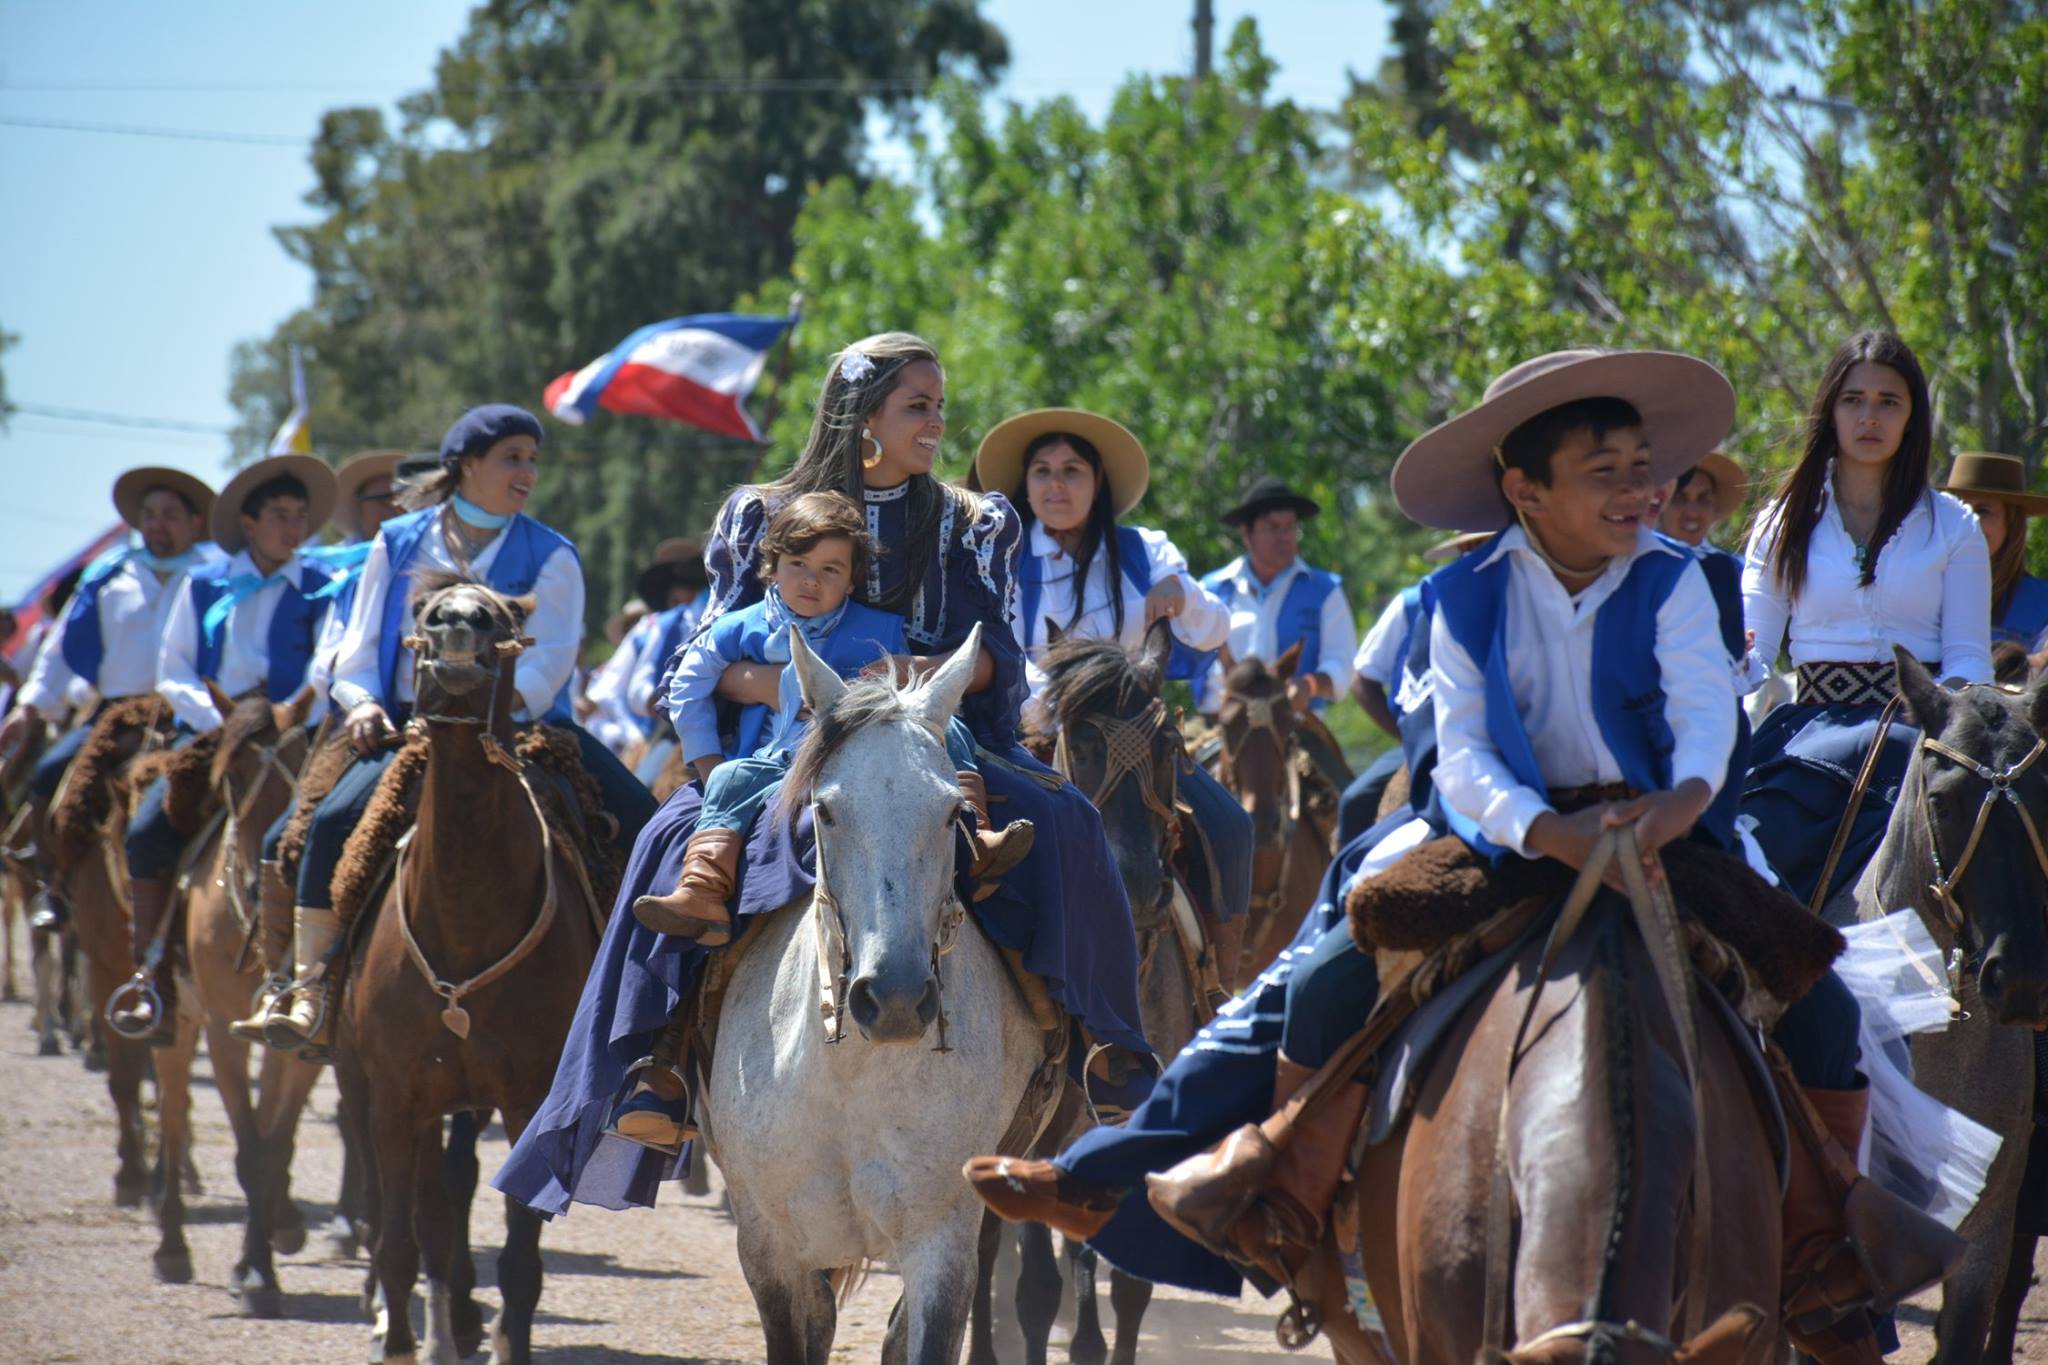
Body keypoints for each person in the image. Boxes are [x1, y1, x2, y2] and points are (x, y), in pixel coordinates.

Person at [972, 350, 1962, 1361]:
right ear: (1523, 490)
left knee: (1825, 1004)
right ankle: (1258, 1190)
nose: (1636, 490)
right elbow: (1468, 752)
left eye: (1639, 467)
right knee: (1316, 980)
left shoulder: (1683, 580)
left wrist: (1673, 807)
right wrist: (1548, 830)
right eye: (1603, 470)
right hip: (1501, 840)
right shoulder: (1458, 596)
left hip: (1676, 835)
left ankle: (1827, 1257)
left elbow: (1705, 716)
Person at [495, 333, 1152, 1217]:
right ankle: (661, 1069)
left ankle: (1103, 1049)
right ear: (865, 416)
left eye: (939, 404)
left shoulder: (974, 519)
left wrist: (902, 688)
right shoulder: (761, 514)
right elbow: (714, 654)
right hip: (789, 742)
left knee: (1070, 821)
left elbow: (998, 658)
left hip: (941, 736)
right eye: (919, 404)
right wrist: (813, 696)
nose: (938, 420)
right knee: (666, 836)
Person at [607, 492, 1021, 1152]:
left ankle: (974, 825)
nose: (813, 580)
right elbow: (686, 682)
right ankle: (703, 887)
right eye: (799, 563)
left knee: (938, 724)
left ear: (852, 579)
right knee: (725, 783)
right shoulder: (740, 625)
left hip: (861, 766)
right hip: (774, 766)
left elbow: (900, 703)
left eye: (832, 569)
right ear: (771, 566)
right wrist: (709, 755)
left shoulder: (877, 630)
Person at [265, 404, 659, 1052]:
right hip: (404, 730)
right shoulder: (396, 542)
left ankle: (643, 1013)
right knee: (325, 823)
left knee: (642, 823)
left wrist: (492, 716)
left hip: (526, 731)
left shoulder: (553, 554)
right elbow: (358, 649)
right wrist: (362, 702)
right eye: (512, 457)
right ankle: (309, 987)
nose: (527, 471)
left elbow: (553, 660)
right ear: (466, 465)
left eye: (532, 459)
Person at [973, 407, 1253, 973]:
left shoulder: (1146, 552)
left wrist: (1183, 593)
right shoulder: (1001, 560)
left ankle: (1224, 983)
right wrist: (1060, 699)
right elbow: (997, 653)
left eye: (1072, 470)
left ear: (1097, 483)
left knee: (1232, 827)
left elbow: (1214, 629)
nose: (1056, 484)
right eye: (1042, 471)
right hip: (1036, 742)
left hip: (1143, 740)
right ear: (1025, 487)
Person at [1741, 332, 1992, 911]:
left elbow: (1967, 660)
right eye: (1853, 400)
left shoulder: (1955, 527)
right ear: (1830, 410)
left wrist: (1945, 731)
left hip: (1920, 733)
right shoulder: (1784, 522)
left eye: (1888, 401)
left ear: (1912, 417)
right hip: (1810, 736)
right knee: (1745, 865)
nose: (1869, 417)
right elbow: (1753, 653)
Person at [112, 455, 340, 1043]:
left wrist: (292, 713)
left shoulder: (324, 586)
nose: (294, 529)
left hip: (296, 736)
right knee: (146, 831)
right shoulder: (204, 583)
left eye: (301, 517)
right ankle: (153, 978)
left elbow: (328, 661)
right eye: (281, 516)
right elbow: (175, 668)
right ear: (249, 521)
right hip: (215, 735)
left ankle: (334, 982)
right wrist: (218, 719)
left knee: (344, 827)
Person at [231, 449, 409, 1042]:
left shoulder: (506, 558)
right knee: (288, 833)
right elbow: (336, 656)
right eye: (381, 498)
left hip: (476, 724)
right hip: (358, 725)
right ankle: (286, 981)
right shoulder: (353, 573)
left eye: (402, 497)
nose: (394, 507)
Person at [1, 467, 218, 808]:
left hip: (191, 715)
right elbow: (60, 647)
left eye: (170, 515)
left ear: (195, 522)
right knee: (49, 777)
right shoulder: (107, 578)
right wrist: (29, 708)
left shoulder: (216, 582)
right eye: (149, 515)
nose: (158, 524)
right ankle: (42, 860)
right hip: (114, 713)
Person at [1334, 530, 1487, 846]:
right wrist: (1407, 737)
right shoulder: (1414, 602)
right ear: (1467, 545)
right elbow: (1363, 679)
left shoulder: (1525, 593)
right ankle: (1342, 890)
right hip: (1427, 747)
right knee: (1355, 800)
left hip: (1506, 744)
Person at [1934, 451, 2048, 659]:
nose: (1967, 520)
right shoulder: (1917, 594)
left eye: (1983, 511)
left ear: (2011, 524)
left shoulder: (2043, 604)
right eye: (1956, 508)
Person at [1660, 450, 1748, 550]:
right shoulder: (1642, 559)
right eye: (1680, 498)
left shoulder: (1728, 565)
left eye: (1703, 499)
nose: (1693, 513)